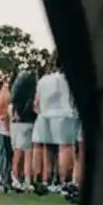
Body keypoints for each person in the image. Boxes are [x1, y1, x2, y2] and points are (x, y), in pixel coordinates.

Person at [32, 53, 78, 194]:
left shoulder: (44, 79)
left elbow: (36, 103)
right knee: (65, 148)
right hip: (64, 115)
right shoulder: (70, 79)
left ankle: (39, 180)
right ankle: (63, 182)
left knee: (40, 147)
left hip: (44, 115)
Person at [9, 65, 38, 191]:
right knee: (28, 154)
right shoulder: (32, 93)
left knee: (17, 152)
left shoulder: (16, 93)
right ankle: (27, 180)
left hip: (16, 124)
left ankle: (15, 178)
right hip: (29, 122)